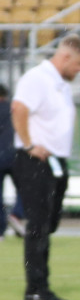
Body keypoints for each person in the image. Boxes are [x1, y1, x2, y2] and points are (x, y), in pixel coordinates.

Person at [12, 35, 80, 300]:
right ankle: (36, 289)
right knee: (39, 226)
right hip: (36, 161)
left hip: (56, 162)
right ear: (66, 57)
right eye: (79, 64)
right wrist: (29, 143)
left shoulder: (61, 84)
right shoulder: (37, 78)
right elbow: (18, 108)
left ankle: (39, 286)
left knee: (48, 224)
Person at [0, 84, 15, 240]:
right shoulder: (12, 109)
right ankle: (18, 214)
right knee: (26, 190)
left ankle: (1, 229)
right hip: (15, 154)